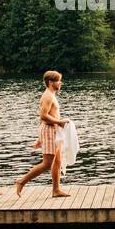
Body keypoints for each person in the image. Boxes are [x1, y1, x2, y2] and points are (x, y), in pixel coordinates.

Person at [15, 70, 72, 198]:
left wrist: (57, 125)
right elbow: (43, 116)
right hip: (49, 130)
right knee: (47, 163)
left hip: (53, 131)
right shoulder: (48, 96)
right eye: (58, 81)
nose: (60, 83)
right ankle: (21, 181)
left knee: (57, 161)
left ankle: (56, 190)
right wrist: (60, 122)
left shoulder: (51, 95)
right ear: (51, 82)